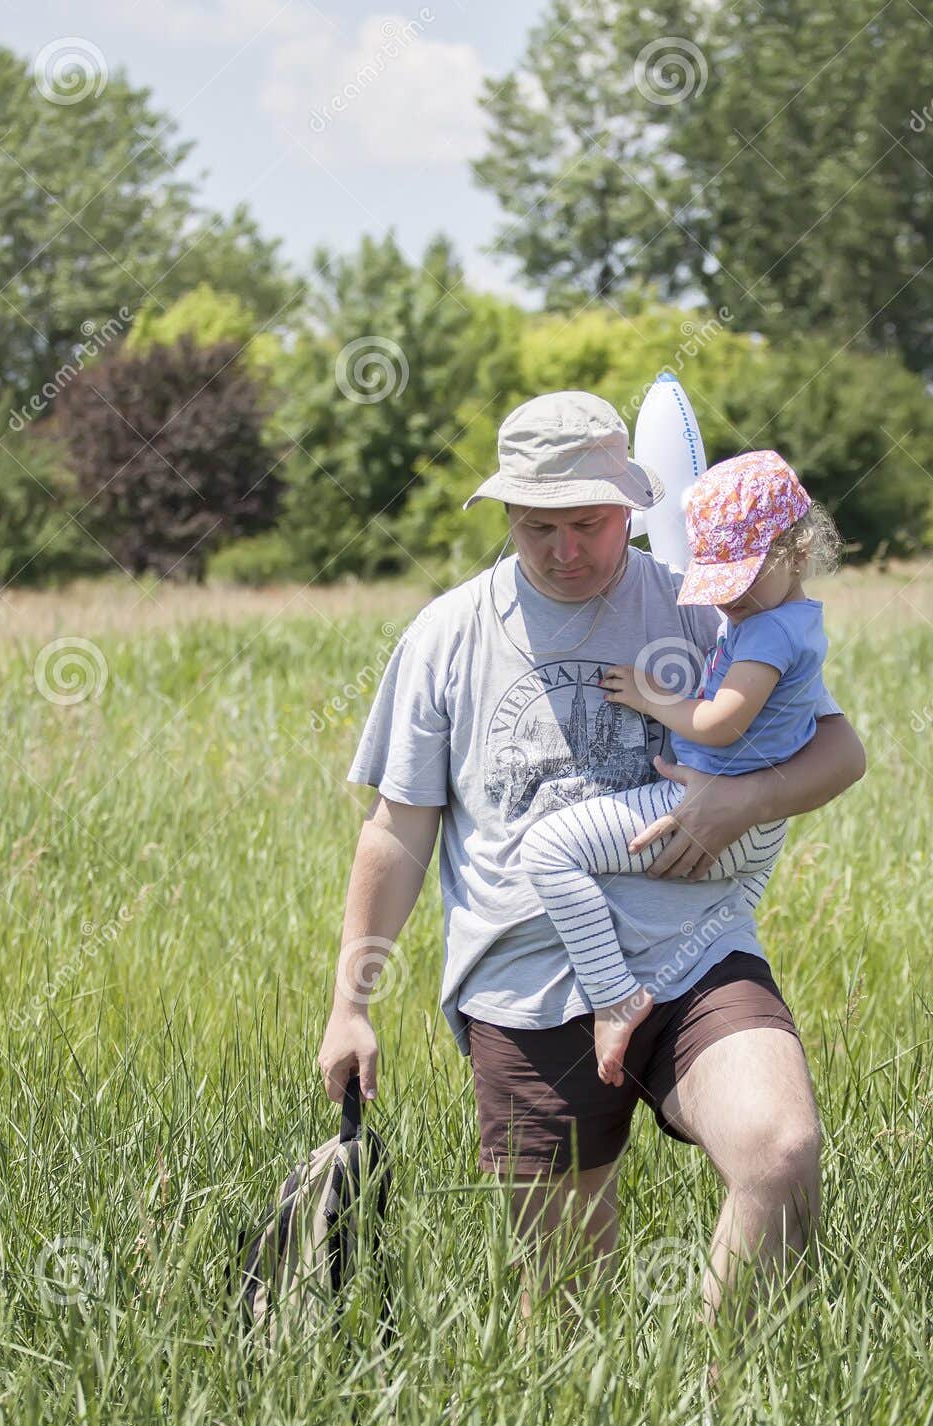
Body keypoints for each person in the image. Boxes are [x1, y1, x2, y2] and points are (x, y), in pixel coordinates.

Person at [319, 390, 865, 1344]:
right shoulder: (446, 635)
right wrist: (349, 1004)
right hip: (527, 986)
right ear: (504, 512)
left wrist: (744, 801)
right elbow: (396, 832)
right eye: (538, 526)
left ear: (632, 504)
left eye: (589, 524)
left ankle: (719, 1403)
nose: (565, 550)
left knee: (780, 1155)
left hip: (694, 956)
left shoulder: (703, 601)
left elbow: (838, 752)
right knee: (568, 1301)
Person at [519, 449, 840, 1087]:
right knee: (725, 917)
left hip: (707, 807)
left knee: (548, 851)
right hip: (762, 832)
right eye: (719, 581)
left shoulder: (769, 632)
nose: (730, 599)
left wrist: (651, 696)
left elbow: (722, 723)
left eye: (742, 579)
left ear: (798, 553)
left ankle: (616, 996)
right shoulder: (791, 618)